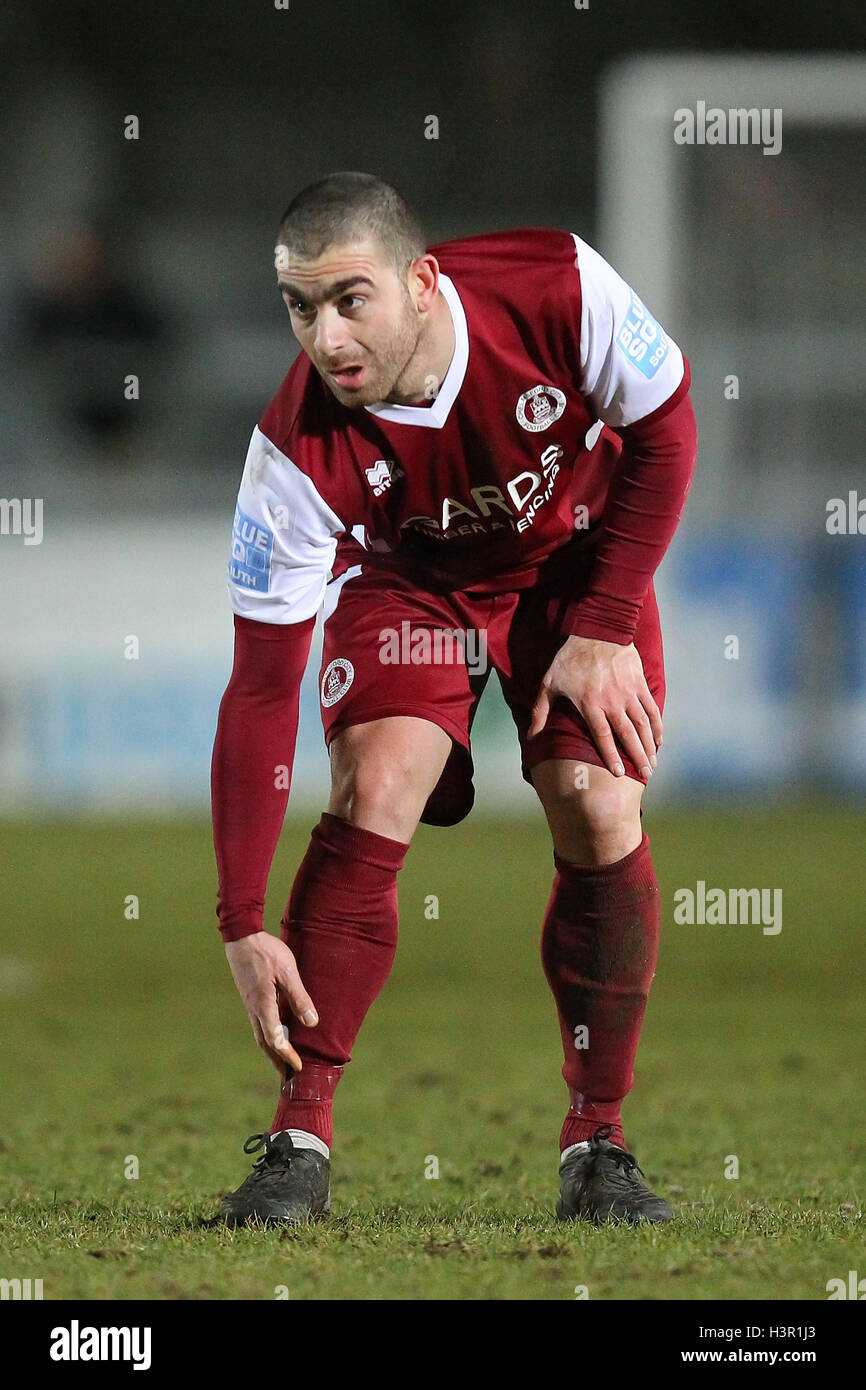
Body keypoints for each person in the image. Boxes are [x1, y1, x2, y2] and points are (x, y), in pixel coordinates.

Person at [210, 171, 697, 1227]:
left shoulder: (557, 287)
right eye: (299, 306)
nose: (327, 337)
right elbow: (258, 688)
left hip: (574, 566)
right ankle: (298, 1141)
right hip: (412, 583)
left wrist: (605, 623)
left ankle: (599, 1142)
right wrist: (242, 920)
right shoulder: (293, 457)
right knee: (378, 781)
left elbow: (666, 430)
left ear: (422, 282)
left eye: (351, 300)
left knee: (596, 803)